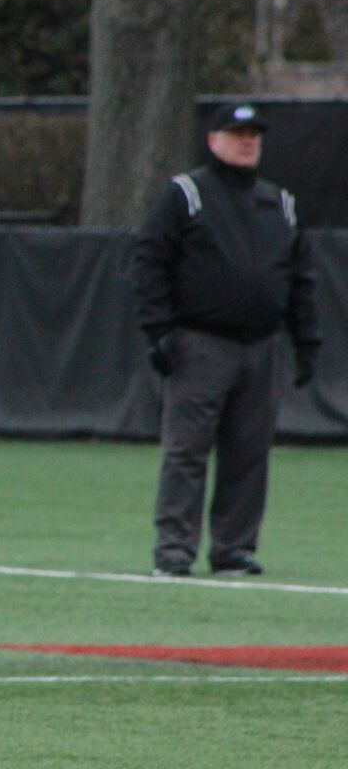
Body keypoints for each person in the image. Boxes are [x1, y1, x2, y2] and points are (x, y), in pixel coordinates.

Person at [134, 103, 319, 578]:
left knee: (249, 453)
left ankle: (233, 549)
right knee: (187, 451)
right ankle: (175, 551)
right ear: (213, 139)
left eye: (254, 134)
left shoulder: (279, 202)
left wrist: (306, 340)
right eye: (237, 133)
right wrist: (159, 329)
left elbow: (300, 277)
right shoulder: (187, 193)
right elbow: (150, 260)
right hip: (201, 343)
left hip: (261, 346)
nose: (247, 141)